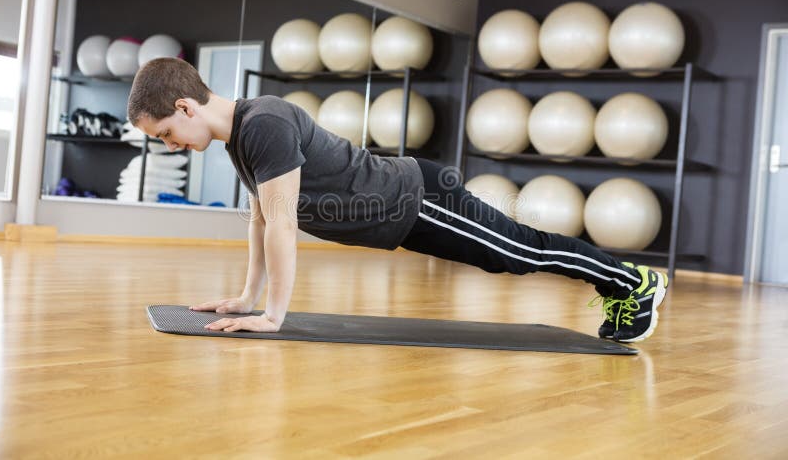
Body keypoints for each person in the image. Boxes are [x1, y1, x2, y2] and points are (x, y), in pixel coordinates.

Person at [127, 57, 669, 343]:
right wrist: (247, 296)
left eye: (166, 133)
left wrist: (273, 316)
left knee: (523, 253)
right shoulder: (240, 137)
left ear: (185, 105)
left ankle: (633, 282)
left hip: (419, 200)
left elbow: (282, 226)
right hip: (406, 216)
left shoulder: (262, 123)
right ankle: (626, 281)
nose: (171, 146)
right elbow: (261, 218)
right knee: (517, 257)